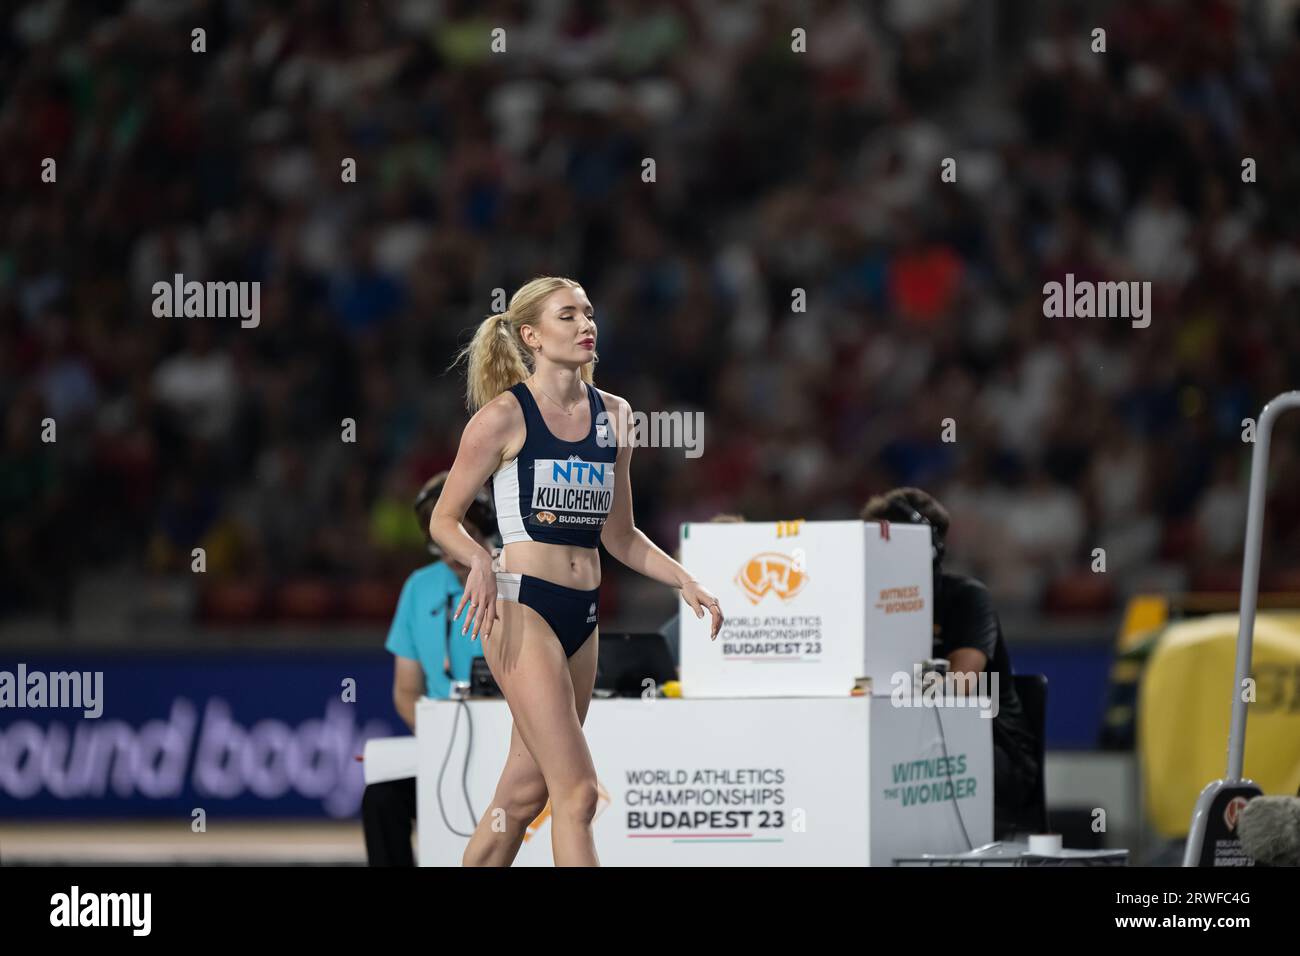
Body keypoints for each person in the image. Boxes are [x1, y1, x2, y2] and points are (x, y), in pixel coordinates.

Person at [432, 275, 725, 867]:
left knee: (522, 795)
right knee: (579, 793)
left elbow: (620, 535)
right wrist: (480, 559)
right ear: (531, 336)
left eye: (589, 313)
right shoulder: (501, 419)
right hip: (520, 607)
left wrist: (683, 578)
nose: (586, 324)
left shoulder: (615, 415)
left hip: (582, 615)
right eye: (568, 316)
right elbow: (444, 519)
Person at [860, 487, 1041, 841]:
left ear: (929, 549)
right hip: (907, 741)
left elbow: (960, 684)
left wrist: (892, 678)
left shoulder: (967, 598)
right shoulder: (867, 602)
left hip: (994, 750)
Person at [360, 471, 498, 866]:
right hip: (445, 753)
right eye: (446, 539)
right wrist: (441, 739)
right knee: (382, 797)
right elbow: (406, 691)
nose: (456, 552)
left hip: (512, 751)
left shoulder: (517, 578)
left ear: (486, 528)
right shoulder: (418, 588)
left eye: (466, 534)